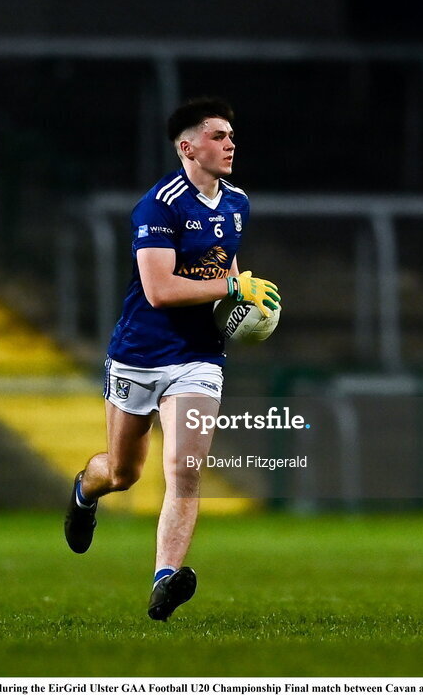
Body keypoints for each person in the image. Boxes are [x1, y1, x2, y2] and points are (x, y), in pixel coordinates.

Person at [64, 96, 280, 621]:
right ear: (187, 147)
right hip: (139, 353)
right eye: (217, 136)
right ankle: (85, 490)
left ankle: (164, 581)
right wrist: (230, 284)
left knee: (185, 468)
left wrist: (240, 309)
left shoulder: (237, 204)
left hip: (198, 356)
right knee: (123, 473)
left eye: (231, 135)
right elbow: (159, 290)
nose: (229, 144)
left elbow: (218, 279)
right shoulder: (158, 206)